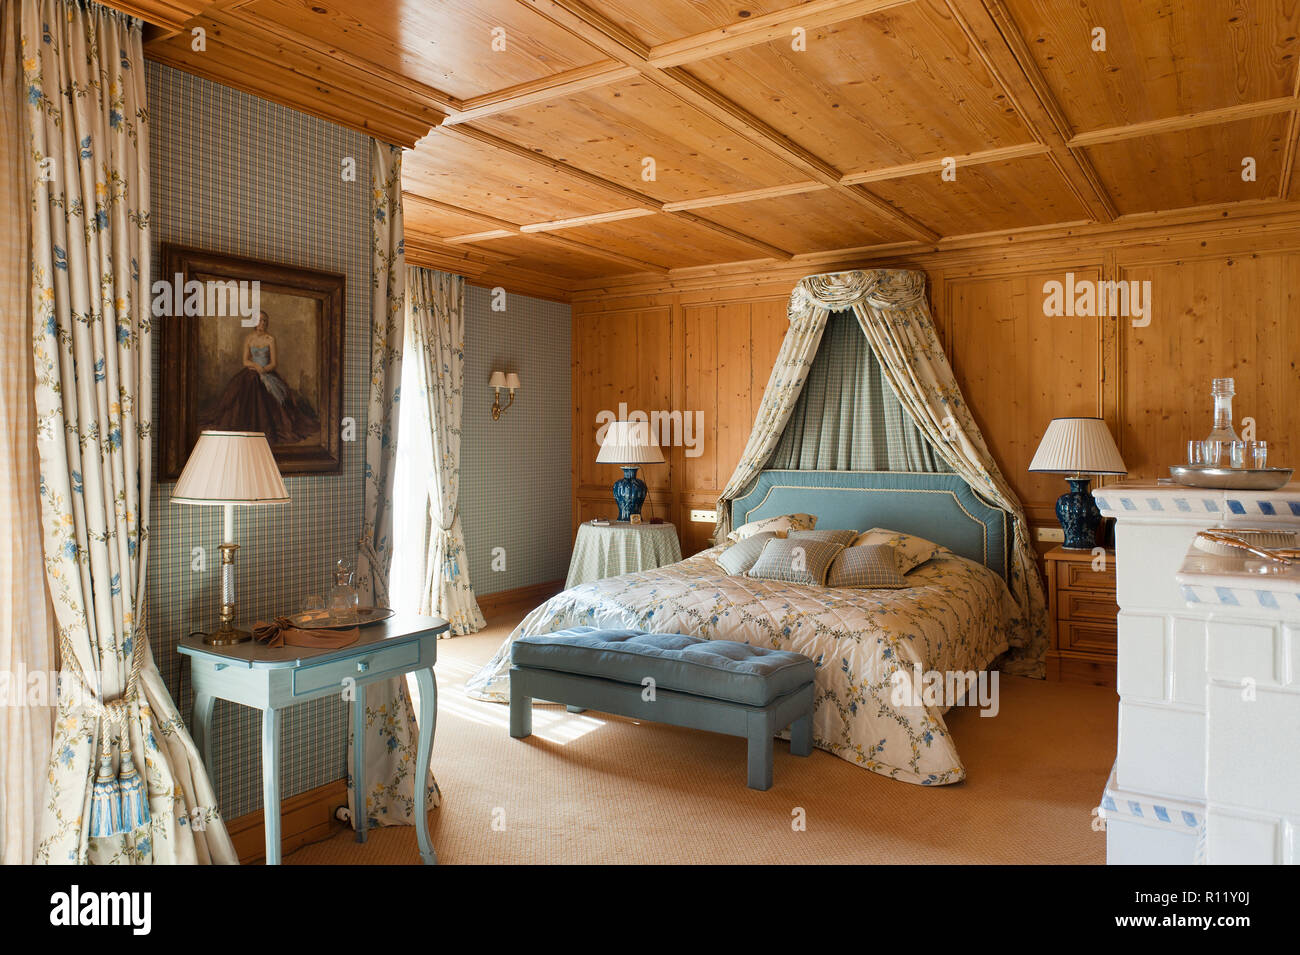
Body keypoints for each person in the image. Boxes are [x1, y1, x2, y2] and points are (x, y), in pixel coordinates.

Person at [202, 310, 319, 444]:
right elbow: (245, 361)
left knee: (272, 394)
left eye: (264, 321)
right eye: (260, 320)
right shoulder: (249, 338)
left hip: (267, 372)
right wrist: (256, 367)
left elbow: (274, 363)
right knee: (250, 382)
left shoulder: (270, 339)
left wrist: (263, 370)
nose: (262, 323)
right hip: (252, 371)